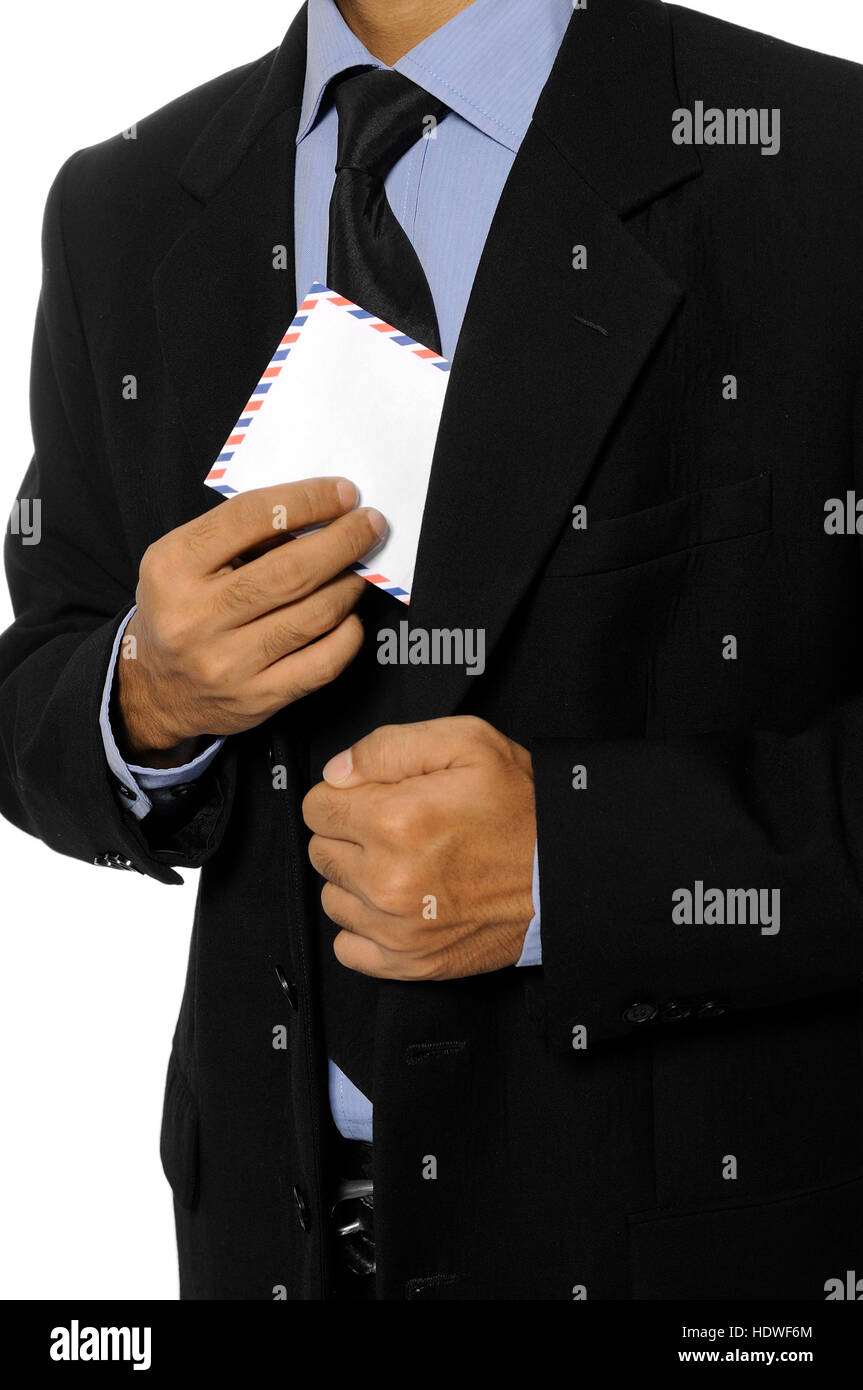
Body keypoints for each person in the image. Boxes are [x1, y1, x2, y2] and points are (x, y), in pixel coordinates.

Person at [2, 0, 863, 1301]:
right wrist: (143, 690)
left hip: (703, 1252)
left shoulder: (828, 161)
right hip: (262, 1241)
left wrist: (576, 864)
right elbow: (41, 674)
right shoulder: (121, 205)